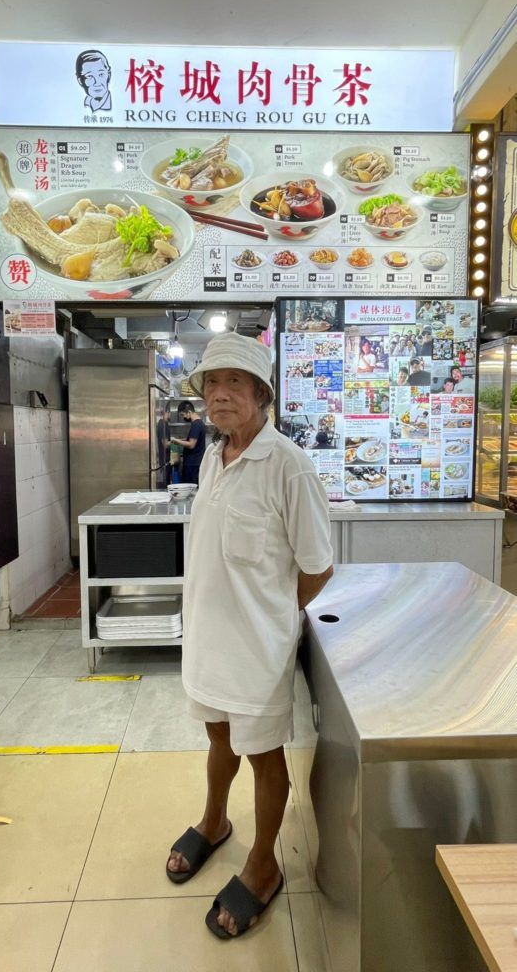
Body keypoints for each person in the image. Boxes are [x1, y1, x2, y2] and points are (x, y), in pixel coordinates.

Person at [166, 332, 333, 939]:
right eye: (212, 383)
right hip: (207, 641)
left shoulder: (288, 464)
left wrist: (274, 619)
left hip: (257, 651)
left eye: (235, 382)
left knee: (263, 756)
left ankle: (263, 866)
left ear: (261, 394)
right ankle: (214, 822)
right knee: (217, 739)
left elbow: (317, 565)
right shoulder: (214, 455)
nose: (220, 395)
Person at [170, 402, 206, 485]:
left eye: (183, 415)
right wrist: (180, 439)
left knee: (190, 487)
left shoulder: (196, 425)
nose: (183, 417)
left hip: (192, 464)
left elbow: (191, 444)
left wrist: (175, 440)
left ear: (189, 412)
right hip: (195, 462)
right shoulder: (199, 423)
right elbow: (192, 439)